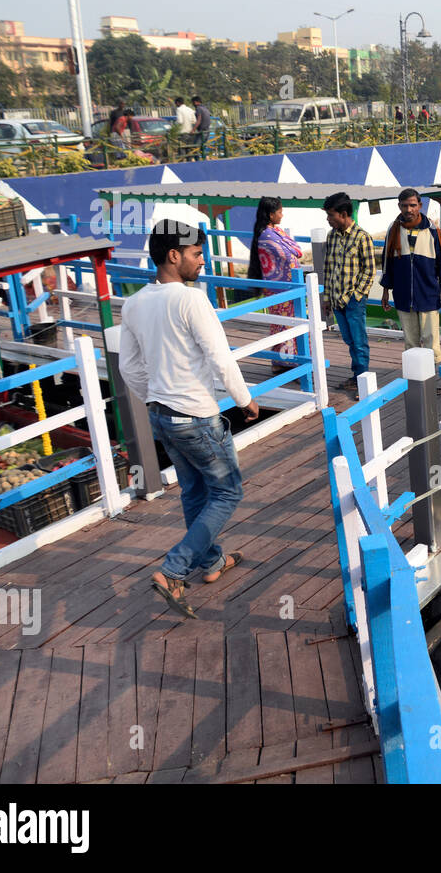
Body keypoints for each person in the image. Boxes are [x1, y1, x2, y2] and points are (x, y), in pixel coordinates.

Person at [120, 220, 259, 618]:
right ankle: (173, 570)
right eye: (197, 255)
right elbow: (219, 356)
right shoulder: (191, 300)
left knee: (195, 493)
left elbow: (129, 367)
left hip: (162, 417)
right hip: (196, 417)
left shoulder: (133, 304)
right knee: (228, 491)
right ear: (174, 255)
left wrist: (156, 396)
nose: (202, 262)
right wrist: (245, 400)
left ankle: (211, 562)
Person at [381, 188, 441, 364]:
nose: (409, 210)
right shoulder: (393, 230)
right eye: (405, 205)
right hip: (403, 293)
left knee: (432, 342)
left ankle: (433, 381)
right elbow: (387, 262)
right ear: (399, 206)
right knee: (411, 342)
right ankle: (416, 382)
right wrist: (385, 290)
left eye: (413, 205)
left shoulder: (431, 230)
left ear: (420, 206)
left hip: (428, 291)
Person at [321, 191, 377, 389]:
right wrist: (326, 298)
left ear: (343, 214)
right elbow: (328, 269)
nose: (328, 219)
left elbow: (370, 270)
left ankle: (362, 380)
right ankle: (357, 377)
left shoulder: (362, 237)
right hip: (336, 299)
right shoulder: (332, 236)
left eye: (331, 215)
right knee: (349, 339)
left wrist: (356, 296)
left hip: (353, 300)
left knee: (359, 341)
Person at [247, 196, 304, 375]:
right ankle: (288, 364)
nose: (282, 214)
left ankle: (281, 362)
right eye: (279, 211)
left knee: (282, 325)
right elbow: (292, 253)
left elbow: (295, 250)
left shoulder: (273, 232)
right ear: (271, 215)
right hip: (281, 288)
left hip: (279, 287)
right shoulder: (268, 235)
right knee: (286, 326)